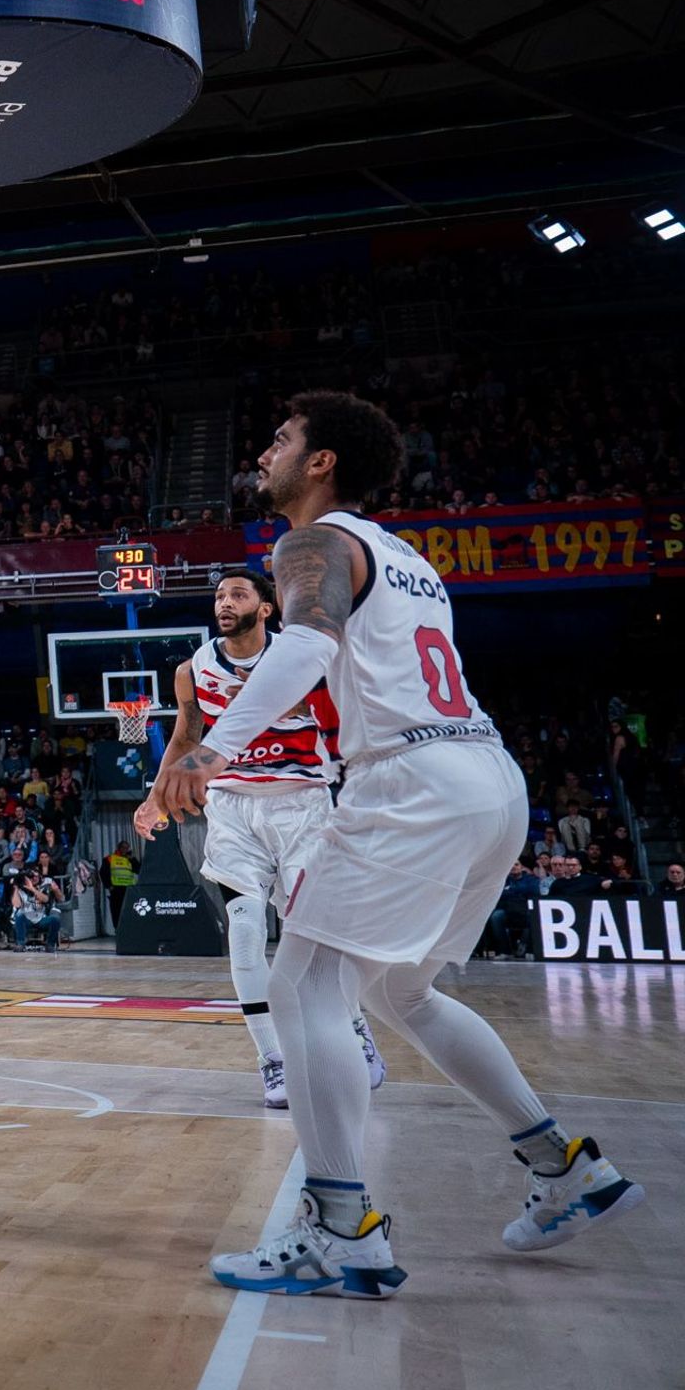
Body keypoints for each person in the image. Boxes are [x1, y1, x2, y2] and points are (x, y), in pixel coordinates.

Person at [148, 391, 647, 1298]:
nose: (265, 452)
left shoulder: (310, 544)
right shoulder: (408, 558)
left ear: (323, 462)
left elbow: (302, 651)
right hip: (488, 778)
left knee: (301, 985)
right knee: (398, 988)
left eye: (281, 440)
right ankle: (563, 1162)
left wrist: (213, 751)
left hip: (409, 781)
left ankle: (342, 1226)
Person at [136, 569, 385, 1109]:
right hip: (232, 809)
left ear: (267, 608)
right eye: (220, 595)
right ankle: (272, 1059)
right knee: (245, 931)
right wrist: (156, 795)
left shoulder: (301, 658)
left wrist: (304, 706)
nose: (225, 603)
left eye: (238, 594)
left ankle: (356, 1032)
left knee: (315, 939)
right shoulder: (193, 669)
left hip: (302, 805)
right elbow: (185, 737)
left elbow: (345, 714)